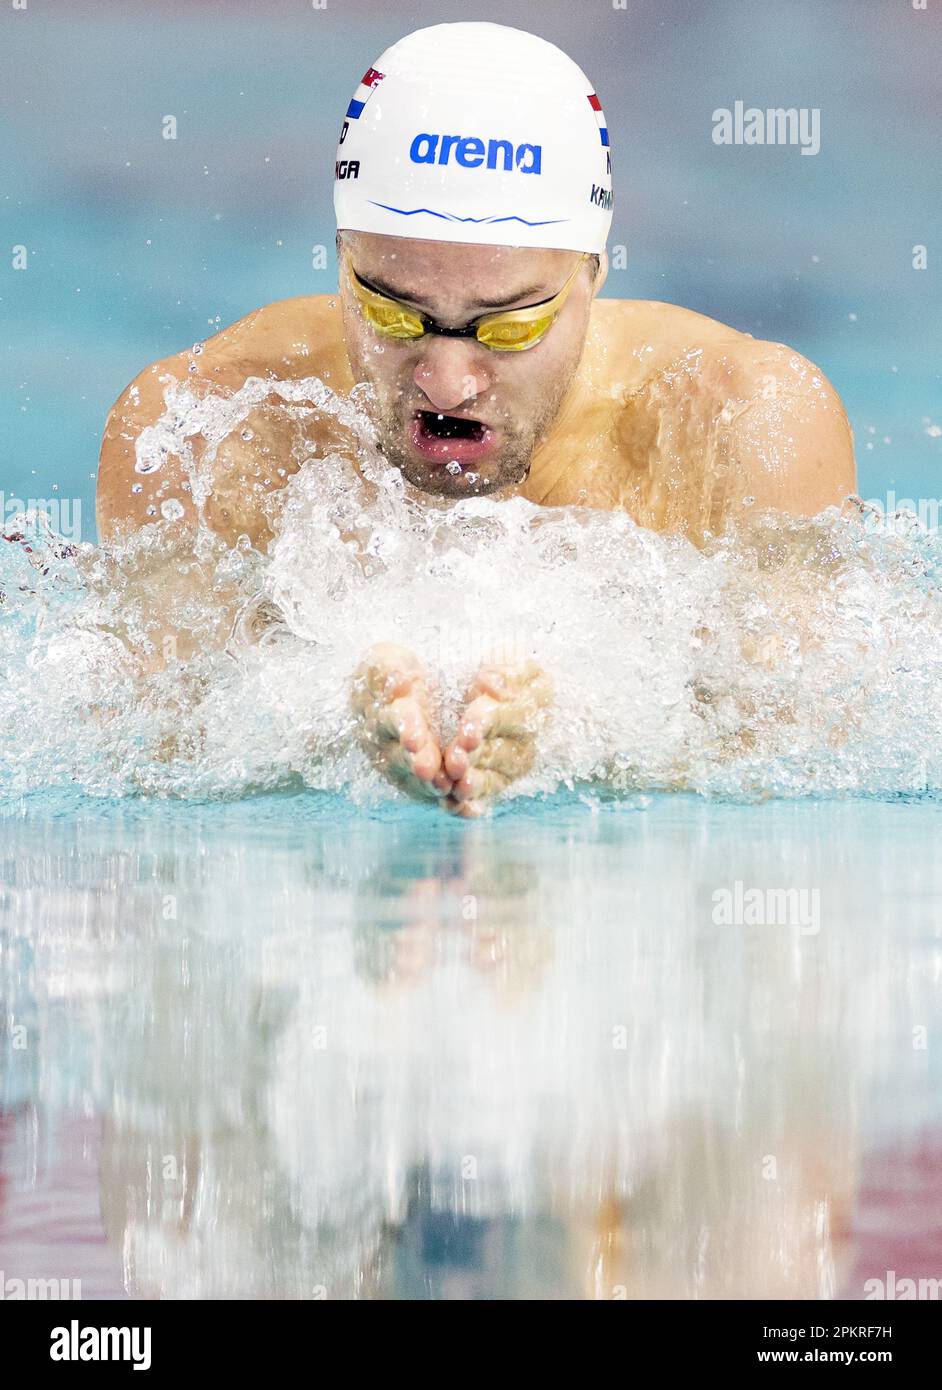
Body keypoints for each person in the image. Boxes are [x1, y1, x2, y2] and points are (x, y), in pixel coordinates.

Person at [96, 22, 856, 816]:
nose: (447, 383)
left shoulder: (741, 423)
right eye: (395, 314)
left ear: (591, 276)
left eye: (510, 325)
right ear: (341, 260)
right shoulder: (203, 426)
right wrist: (322, 726)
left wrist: (573, 736)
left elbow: (807, 760)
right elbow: (149, 758)